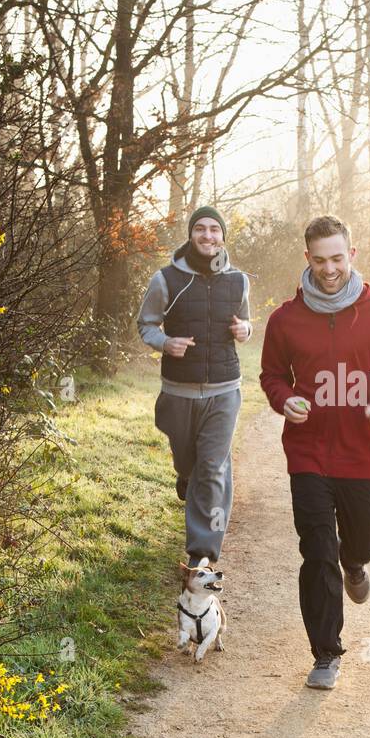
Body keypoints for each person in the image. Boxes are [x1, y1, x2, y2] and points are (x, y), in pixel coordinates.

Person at [260, 214, 370, 690]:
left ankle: (357, 562)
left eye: (338, 258)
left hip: (362, 453)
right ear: (307, 259)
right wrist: (285, 401)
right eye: (320, 260)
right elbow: (271, 375)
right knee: (316, 549)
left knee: (363, 536)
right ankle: (326, 653)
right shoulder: (286, 318)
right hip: (307, 453)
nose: (329, 268)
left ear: (353, 255)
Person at [136, 205, 252, 567]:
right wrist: (164, 343)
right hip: (178, 392)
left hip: (224, 388)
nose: (207, 236)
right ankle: (186, 475)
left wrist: (245, 331)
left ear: (222, 237)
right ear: (191, 235)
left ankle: (202, 553)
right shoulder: (166, 279)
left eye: (214, 229)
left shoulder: (239, 281)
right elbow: (146, 325)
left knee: (214, 467)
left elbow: (246, 323)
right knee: (189, 461)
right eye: (200, 229)